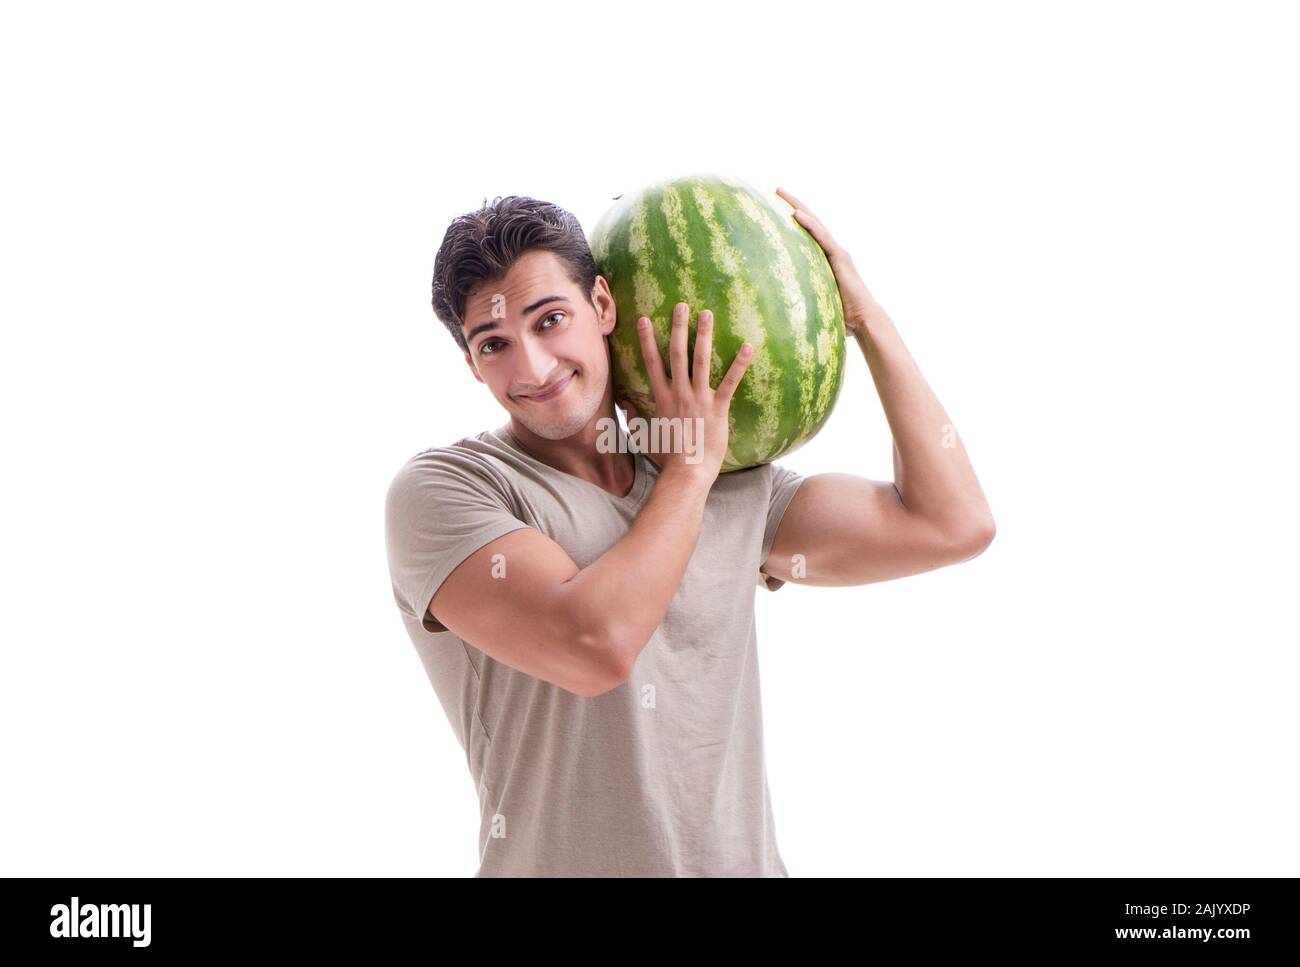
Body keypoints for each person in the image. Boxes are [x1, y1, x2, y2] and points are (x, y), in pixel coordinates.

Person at [384, 189, 995, 877]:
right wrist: (692, 466)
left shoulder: (728, 484)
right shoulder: (449, 490)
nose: (532, 367)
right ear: (471, 363)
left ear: (603, 307)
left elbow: (953, 524)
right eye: (493, 344)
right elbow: (594, 646)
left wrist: (868, 321)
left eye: (549, 320)